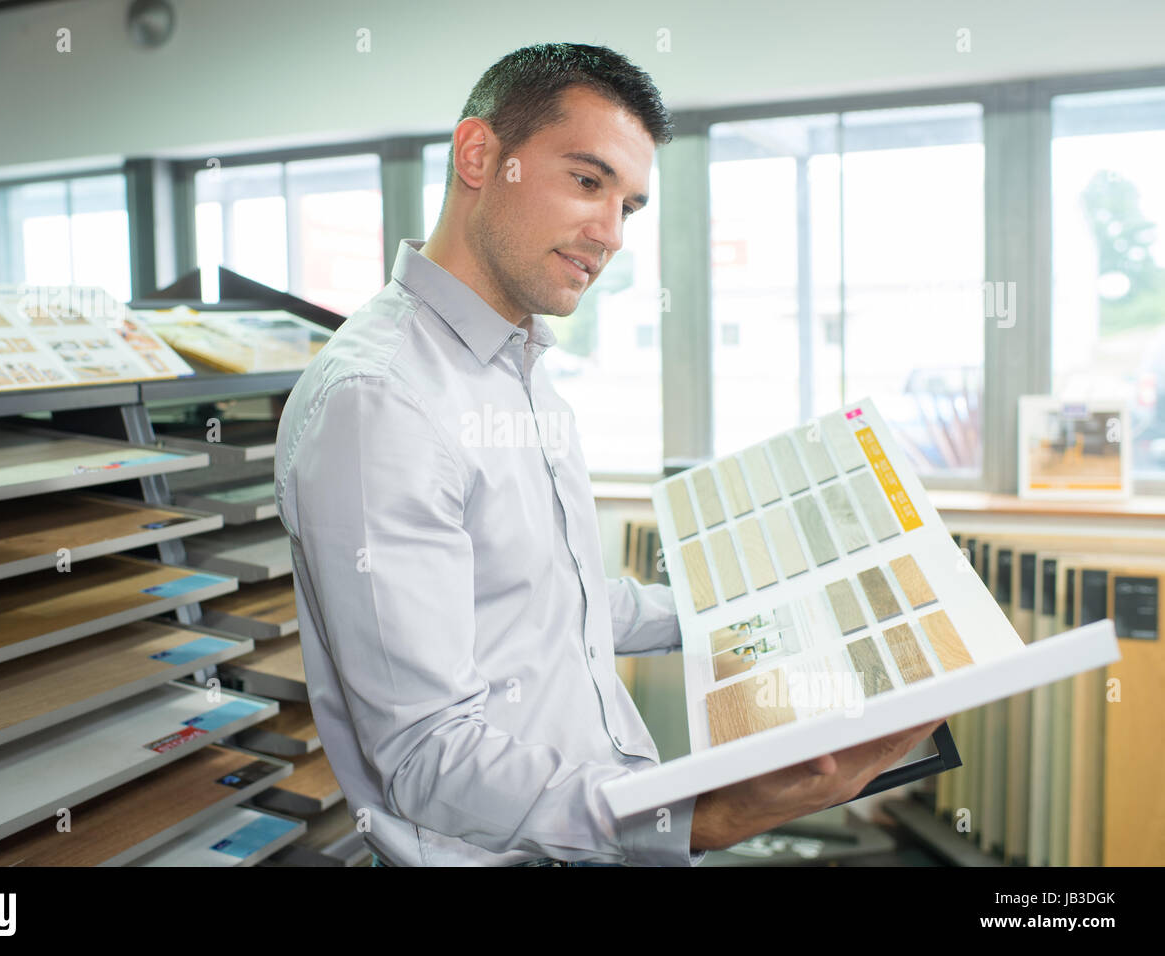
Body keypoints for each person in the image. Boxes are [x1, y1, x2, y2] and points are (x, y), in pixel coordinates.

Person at [273, 41, 941, 867]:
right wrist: (696, 818)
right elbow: (424, 757)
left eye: (629, 205)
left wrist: (759, 609)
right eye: (588, 182)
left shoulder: (523, 371)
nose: (612, 233)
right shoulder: (379, 403)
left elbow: (564, 600)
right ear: (480, 156)